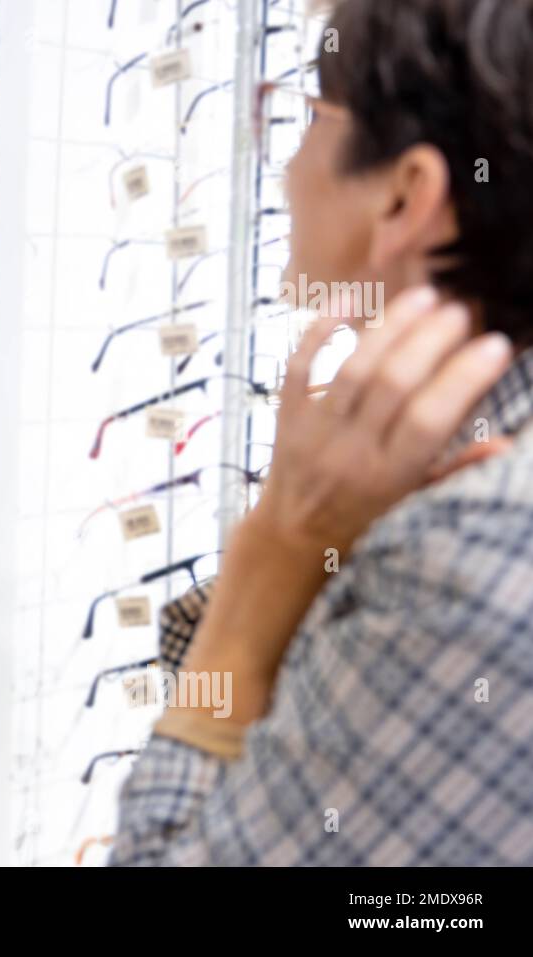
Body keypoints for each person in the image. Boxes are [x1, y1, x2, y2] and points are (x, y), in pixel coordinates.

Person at [112, 0, 533, 865]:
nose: (286, 164)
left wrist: (284, 542)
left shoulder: (469, 544)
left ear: (406, 195)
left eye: (304, 116)